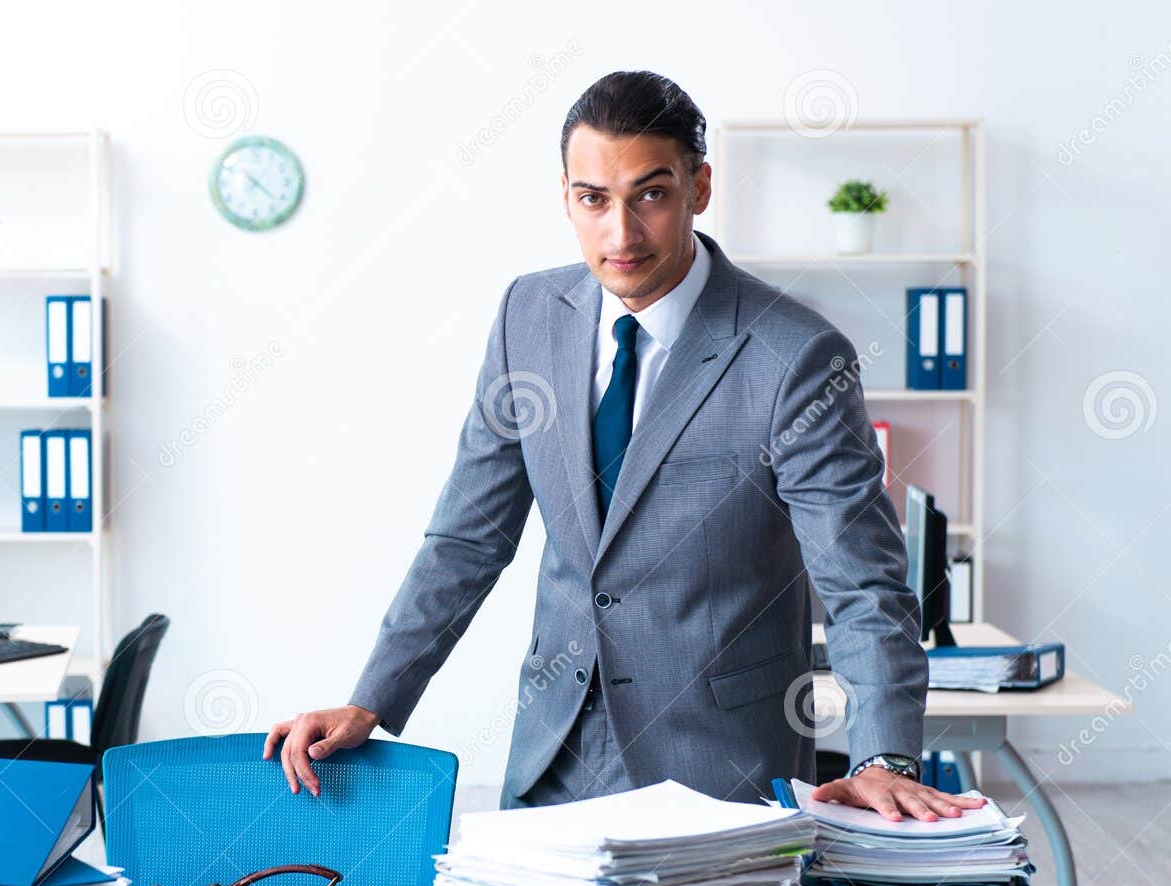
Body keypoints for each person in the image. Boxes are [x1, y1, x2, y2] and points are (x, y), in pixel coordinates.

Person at [265, 70, 982, 823]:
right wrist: (372, 699)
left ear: (700, 187)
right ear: (566, 196)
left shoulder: (794, 354)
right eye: (593, 199)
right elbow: (468, 538)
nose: (621, 235)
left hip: (720, 771)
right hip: (552, 758)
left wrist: (883, 757)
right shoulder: (528, 316)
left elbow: (861, 582)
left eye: (651, 194)